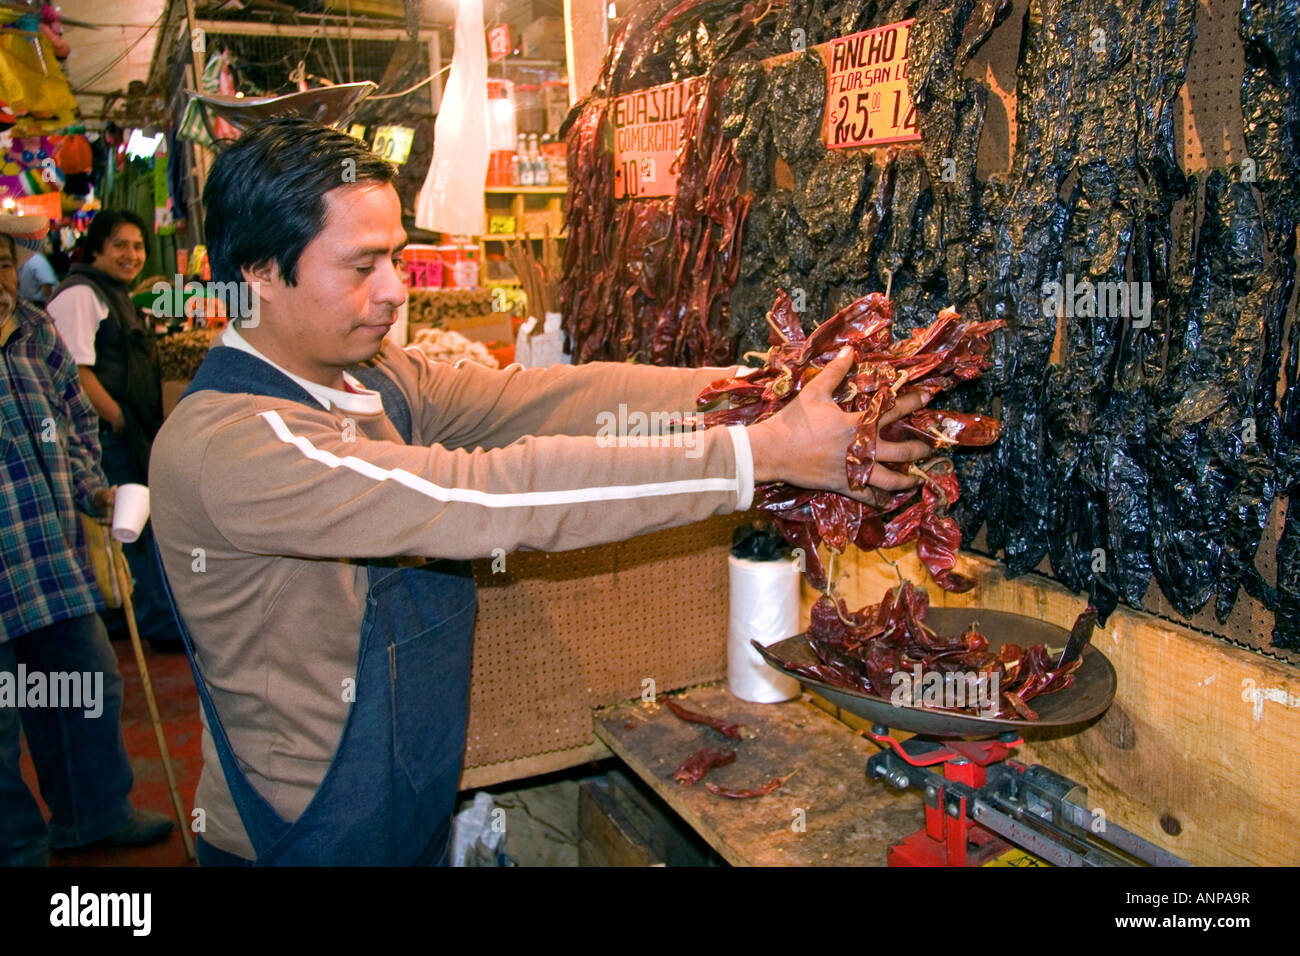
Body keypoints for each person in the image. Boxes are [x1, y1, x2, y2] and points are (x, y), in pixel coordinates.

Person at [150, 117, 935, 866]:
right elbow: (492, 496)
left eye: (395, 256)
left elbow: (554, 397)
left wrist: (765, 391)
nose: (394, 290)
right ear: (259, 274)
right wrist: (762, 452)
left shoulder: (371, 378)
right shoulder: (234, 447)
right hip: (303, 841)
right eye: (362, 267)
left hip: (405, 811)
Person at [0, 219, 174, 866]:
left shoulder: (32, 328)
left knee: (85, 683)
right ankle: (16, 847)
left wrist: (93, 487)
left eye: (4, 263)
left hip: (45, 543)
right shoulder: (68, 303)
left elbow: (72, 419)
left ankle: (94, 814)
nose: (0, 279)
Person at [45, 209, 182, 651]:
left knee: (138, 522)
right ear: (97, 248)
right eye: (120, 245)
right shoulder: (81, 295)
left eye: (138, 245)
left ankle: (135, 615)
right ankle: (149, 620)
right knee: (129, 524)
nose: (132, 254)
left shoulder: (114, 293)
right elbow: (77, 373)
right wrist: (118, 419)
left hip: (128, 430)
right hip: (106, 436)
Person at [17, 238, 57, 305]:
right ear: (41, 246)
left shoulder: (28, 259)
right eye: (48, 243)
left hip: (28, 303)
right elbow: (47, 287)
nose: (51, 246)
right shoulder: (39, 260)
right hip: (42, 304)